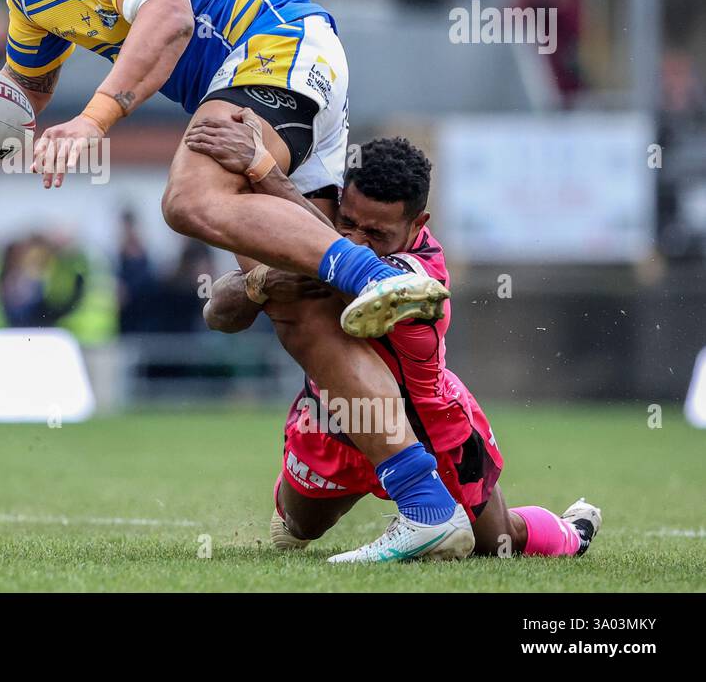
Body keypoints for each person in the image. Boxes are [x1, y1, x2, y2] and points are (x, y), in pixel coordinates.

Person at [0, 0, 469, 560]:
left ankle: (380, 276)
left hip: (277, 45)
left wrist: (95, 120)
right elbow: (20, 99)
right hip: (255, 83)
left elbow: (170, 21)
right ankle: (428, 508)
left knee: (188, 196)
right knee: (296, 312)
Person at [191, 117, 602, 562]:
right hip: (333, 420)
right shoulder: (324, 236)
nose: (358, 243)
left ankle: (570, 531)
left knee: (498, 543)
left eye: (378, 234)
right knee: (294, 530)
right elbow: (218, 314)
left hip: (429, 431)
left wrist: (264, 170)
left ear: (416, 223)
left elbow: (357, 270)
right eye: (348, 222)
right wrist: (260, 283)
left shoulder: (421, 268)